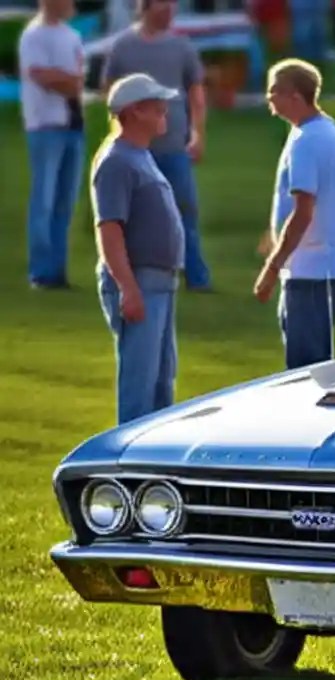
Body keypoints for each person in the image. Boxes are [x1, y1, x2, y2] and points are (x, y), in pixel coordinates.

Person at [90, 73, 186, 425]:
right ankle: (130, 456)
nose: (164, 110)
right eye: (156, 106)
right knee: (140, 386)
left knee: (161, 382)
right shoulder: (116, 161)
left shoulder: (139, 156)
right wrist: (127, 288)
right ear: (134, 112)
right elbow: (110, 229)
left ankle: (154, 455)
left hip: (159, 283)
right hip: (140, 282)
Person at [254, 59, 335, 370]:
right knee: (310, 358)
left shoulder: (306, 141)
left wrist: (272, 267)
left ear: (295, 96)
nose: (268, 97)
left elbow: (304, 211)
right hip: (325, 264)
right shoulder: (328, 131)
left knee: (306, 368)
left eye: (274, 90)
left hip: (314, 268)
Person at [100, 0, 212, 291]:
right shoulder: (123, 46)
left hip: (174, 145)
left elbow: (196, 93)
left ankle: (195, 275)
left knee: (185, 210)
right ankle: (128, 273)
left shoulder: (182, 46)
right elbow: (109, 90)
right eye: (163, 5)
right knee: (130, 214)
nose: (169, 11)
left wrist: (197, 134)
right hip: (135, 148)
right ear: (145, 8)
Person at [18, 0, 85, 290]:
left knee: (64, 203)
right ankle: (41, 271)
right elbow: (42, 76)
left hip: (74, 124)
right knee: (44, 200)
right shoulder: (34, 35)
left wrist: (65, 80)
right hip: (45, 125)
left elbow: (77, 79)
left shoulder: (72, 36)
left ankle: (57, 269)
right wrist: (67, 81)